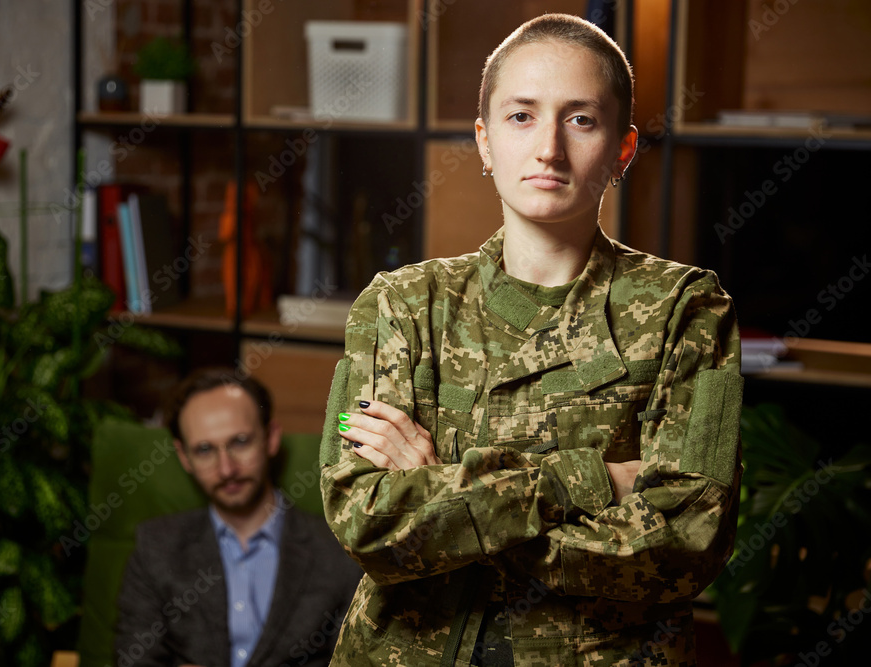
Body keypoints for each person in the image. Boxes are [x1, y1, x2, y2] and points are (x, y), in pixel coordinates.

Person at [319, 13, 743, 667]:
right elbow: (366, 522)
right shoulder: (400, 304)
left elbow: (686, 542)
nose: (548, 147)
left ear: (623, 149)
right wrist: (587, 479)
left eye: (581, 119)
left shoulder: (685, 308)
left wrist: (445, 492)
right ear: (484, 142)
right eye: (522, 116)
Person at [116, 369, 362, 667]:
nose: (226, 469)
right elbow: (133, 659)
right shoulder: (155, 547)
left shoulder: (338, 550)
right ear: (184, 457)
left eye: (240, 442)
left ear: (271, 438)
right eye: (205, 449)